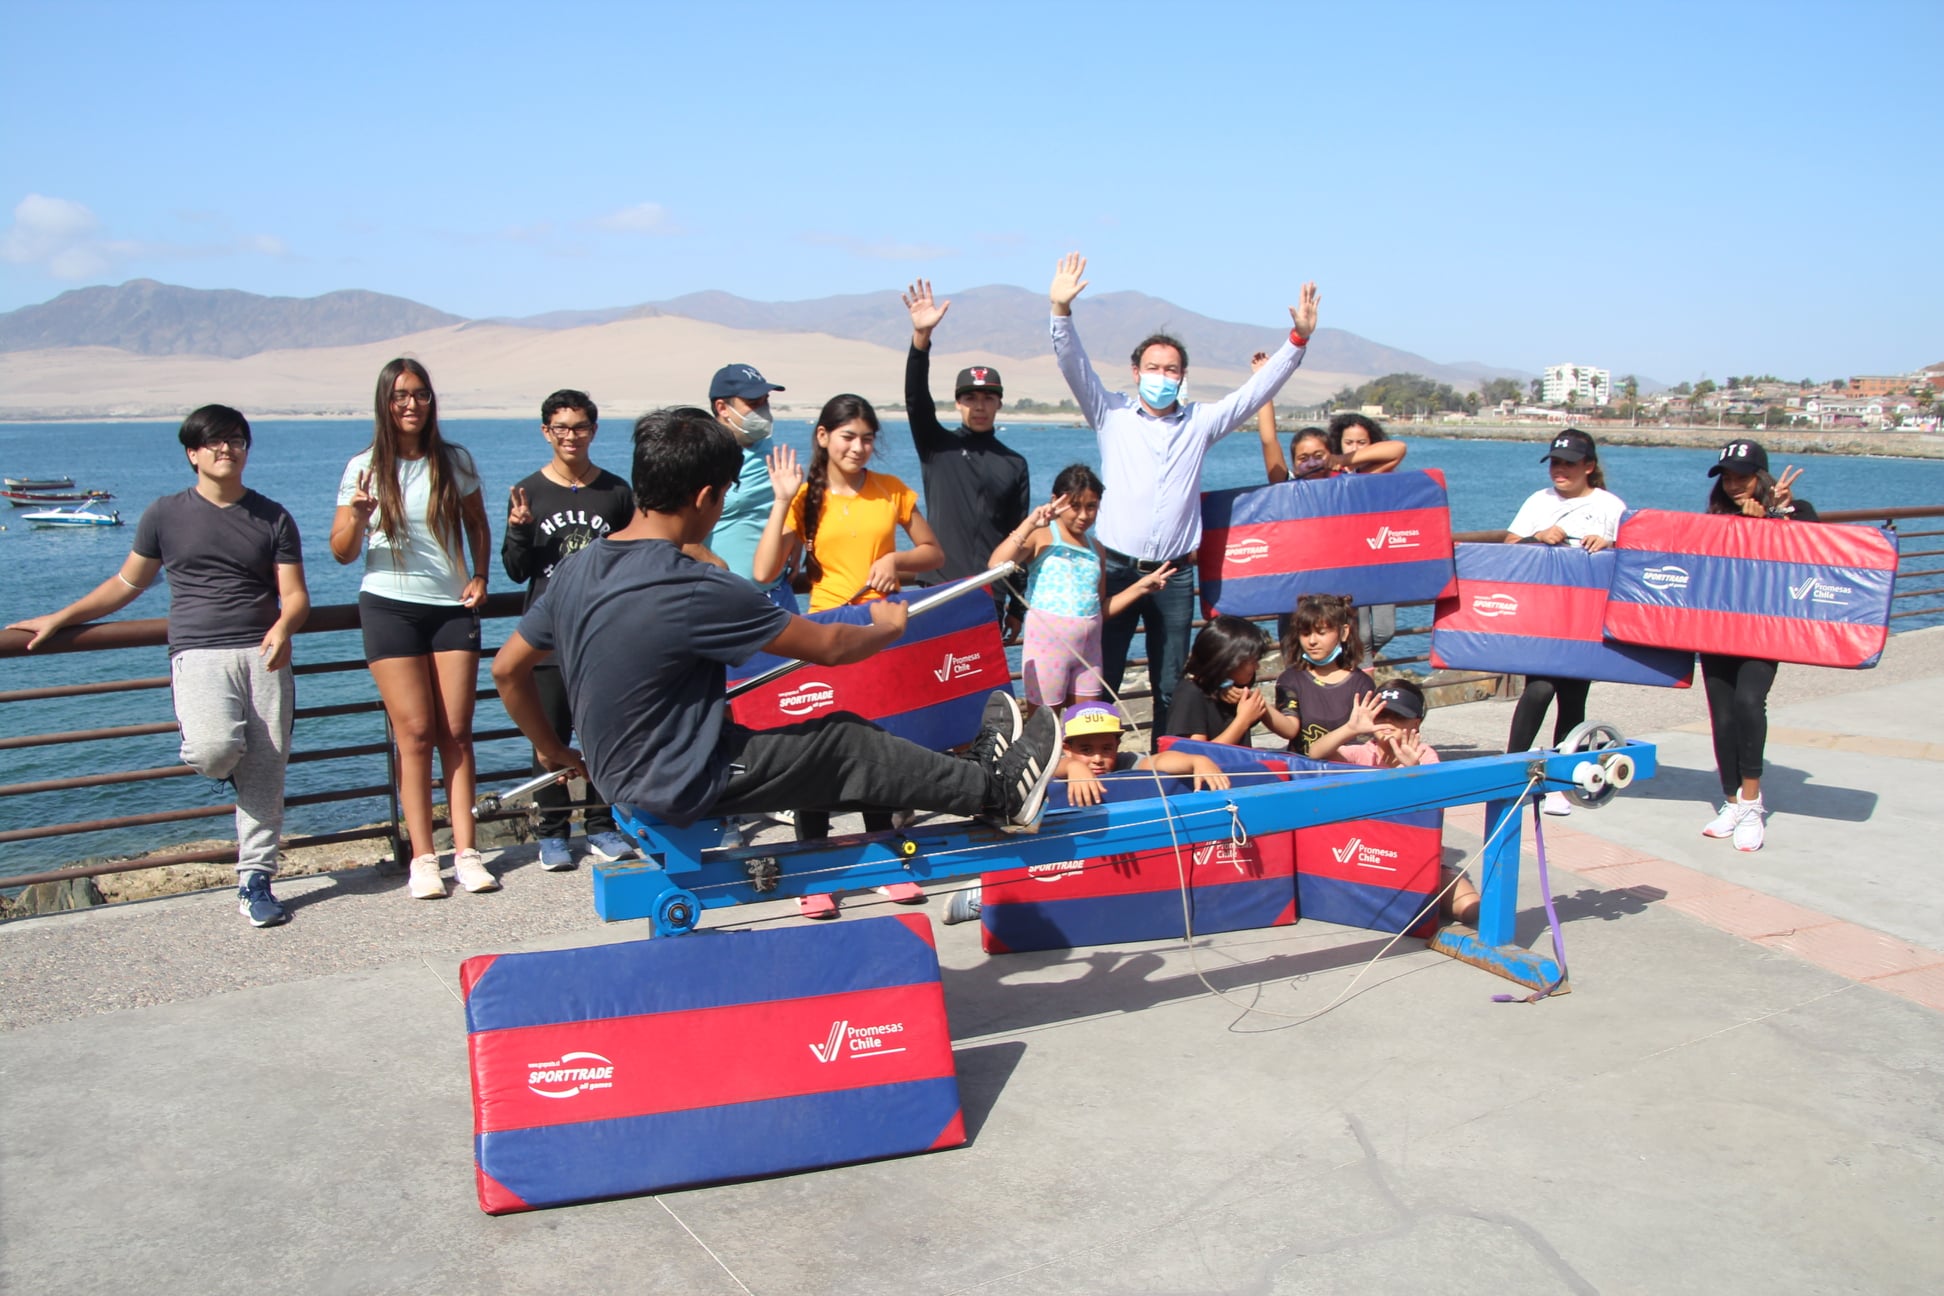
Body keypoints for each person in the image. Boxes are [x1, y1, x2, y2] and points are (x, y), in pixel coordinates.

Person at [489, 407, 1063, 907]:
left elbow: (507, 669)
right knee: (844, 741)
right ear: (705, 498)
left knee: (813, 739)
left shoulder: (578, 568)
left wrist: (554, 749)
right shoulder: (692, 586)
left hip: (624, 770)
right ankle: (1000, 795)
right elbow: (829, 647)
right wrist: (888, 626)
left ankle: (975, 774)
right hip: (681, 777)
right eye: (723, 497)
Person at [8, 405, 310, 928]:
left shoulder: (273, 516)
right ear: (193, 453)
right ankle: (227, 767)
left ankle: (255, 879)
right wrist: (62, 617)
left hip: (263, 655)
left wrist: (284, 627)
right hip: (197, 652)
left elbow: (296, 595)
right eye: (214, 442)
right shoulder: (164, 515)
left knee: (266, 773)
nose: (226, 449)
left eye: (236, 440)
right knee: (214, 751)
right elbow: (127, 584)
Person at [1050, 252, 1319, 736]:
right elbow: (1074, 366)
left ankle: (1168, 759)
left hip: (1174, 575)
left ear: (1182, 376)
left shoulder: (1201, 422)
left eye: (1171, 369)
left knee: (1171, 680)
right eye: (1153, 367)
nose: (1162, 376)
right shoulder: (1110, 414)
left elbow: (1254, 393)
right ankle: (1097, 758)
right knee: (1101, 675)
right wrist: (1061, 312)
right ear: (1136, 372)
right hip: (1115, 568)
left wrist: (1297, 340)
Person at [331, 359, 494, 900]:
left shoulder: (454, 460)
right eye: (401, 395)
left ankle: (467, 852)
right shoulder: (363, 468)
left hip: (451, 607)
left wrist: (480, 574)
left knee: (457, 731)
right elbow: (341, 551)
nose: (411, 404)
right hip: (389, 607)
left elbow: (476, 523)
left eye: (421, 394)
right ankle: (423, 859)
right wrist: (358, 515)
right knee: (416, 733)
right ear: (385, 401)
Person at [500, 389, 639, 871]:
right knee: (548, 737)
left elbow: (633, 556)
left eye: (579, 427)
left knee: (604, 732)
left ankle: (602, 825)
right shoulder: (527, 491)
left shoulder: (616, 492)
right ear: (546, 432)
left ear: (593, 431)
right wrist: (519, 529)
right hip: (547, 639)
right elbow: (516, 571)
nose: (570, 436)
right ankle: (553, 832)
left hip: (602, 635)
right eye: (560, 427)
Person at [941, 701, 1234, 925]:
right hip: (1053, 860)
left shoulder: (1125, 762)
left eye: (1106, 748)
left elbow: (1159, 760)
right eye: (1085, 749)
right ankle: (986, 894)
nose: (1097, 758)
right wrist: (1073, 767)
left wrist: (1196, 760)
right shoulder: (1061, 763)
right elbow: (1048, 767)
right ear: (1066, 747)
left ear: (1118, 745)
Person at [1499, 427, 1629, 816]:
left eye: (1569, 463)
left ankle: (1562, 778)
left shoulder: (1611, 506)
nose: (1560, 470)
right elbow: (1508, 548)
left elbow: (1634, 557)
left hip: (1586, 617)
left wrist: (1610, 545)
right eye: (1555, 462)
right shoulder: (1538, 501)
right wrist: (1538, 536)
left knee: (1573, 695)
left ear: (1588, 466)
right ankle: (1510, 771)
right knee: (1538, 689)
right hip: (1544, 615)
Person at [1697, 440, 1814, 853]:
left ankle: (1751, 805)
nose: (1733, 485)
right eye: (1727, 478)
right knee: (1722, 715)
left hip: (1765, 631)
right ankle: (1731, 803)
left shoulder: (1794, 512)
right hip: (1718, 630)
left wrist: (1776, 515)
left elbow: (1813, 546)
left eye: (1742, 478)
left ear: (1761, 478)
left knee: (1749, 703)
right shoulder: (1716, 519)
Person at [988, 464, 1176, 717]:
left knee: (1086, 724)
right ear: (1056, 501)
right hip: (1047, 650)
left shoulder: (1096, 548)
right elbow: (996, 564)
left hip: (1089, 652)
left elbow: (1100, 609)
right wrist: (1031, 523)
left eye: (1091, 506)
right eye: (1075, 506)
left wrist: (1140, 588)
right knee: (1044, 725)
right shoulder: (1042, 536)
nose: (1083, 515)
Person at [901, 279, 1032, 632]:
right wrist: (921, 339)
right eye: (970, 398)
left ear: (999, 403)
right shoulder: (936, 447)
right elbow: (916, 399)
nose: (979, 406)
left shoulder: (1014, 464)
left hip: (989, 593)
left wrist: (1017, 604)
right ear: (958, 403)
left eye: (988, 398)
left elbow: (1019, 536)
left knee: (979, 670)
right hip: (937, 589)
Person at [1305, 680, 1481, 923]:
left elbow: (1435, 803)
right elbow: (1315, 753)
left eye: (1398, 717)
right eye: (1381, 715)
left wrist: (1413, 772)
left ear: (1416, 723)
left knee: (1470, 908)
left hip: (1415, 859)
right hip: (1365, 855)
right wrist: (1350, 728)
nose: (1388, 723)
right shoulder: (1361, 752)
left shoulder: (1424, 755)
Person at [702, 363, 795, 607]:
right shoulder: (703, 457)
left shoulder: (770, 448)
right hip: (725, 600)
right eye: (753, 404)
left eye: (765, 402)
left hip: (778, 594)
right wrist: (714, 564)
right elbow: (672, 528)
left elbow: (784, 505)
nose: (762, 411)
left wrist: (795, 541)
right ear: (722, 408)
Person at [1263, 594, 1376, 756]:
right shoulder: (1290, 679)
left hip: (1345, 767)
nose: (1312, 641)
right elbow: (1290, 729)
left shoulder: (1362, 684)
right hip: (1303, 767)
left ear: (1344, 632)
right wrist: (1260, 706)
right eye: (1305, 633)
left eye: (1321, 633)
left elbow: (1367, 743)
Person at [1163, 615, 1272, 746]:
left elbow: (1289, 728)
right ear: (1229, 662)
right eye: (1253, 661)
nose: (1257, 667)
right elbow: (1195, 753)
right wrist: (1243, 721)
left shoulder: (1231, 688)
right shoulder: (1190, 693)